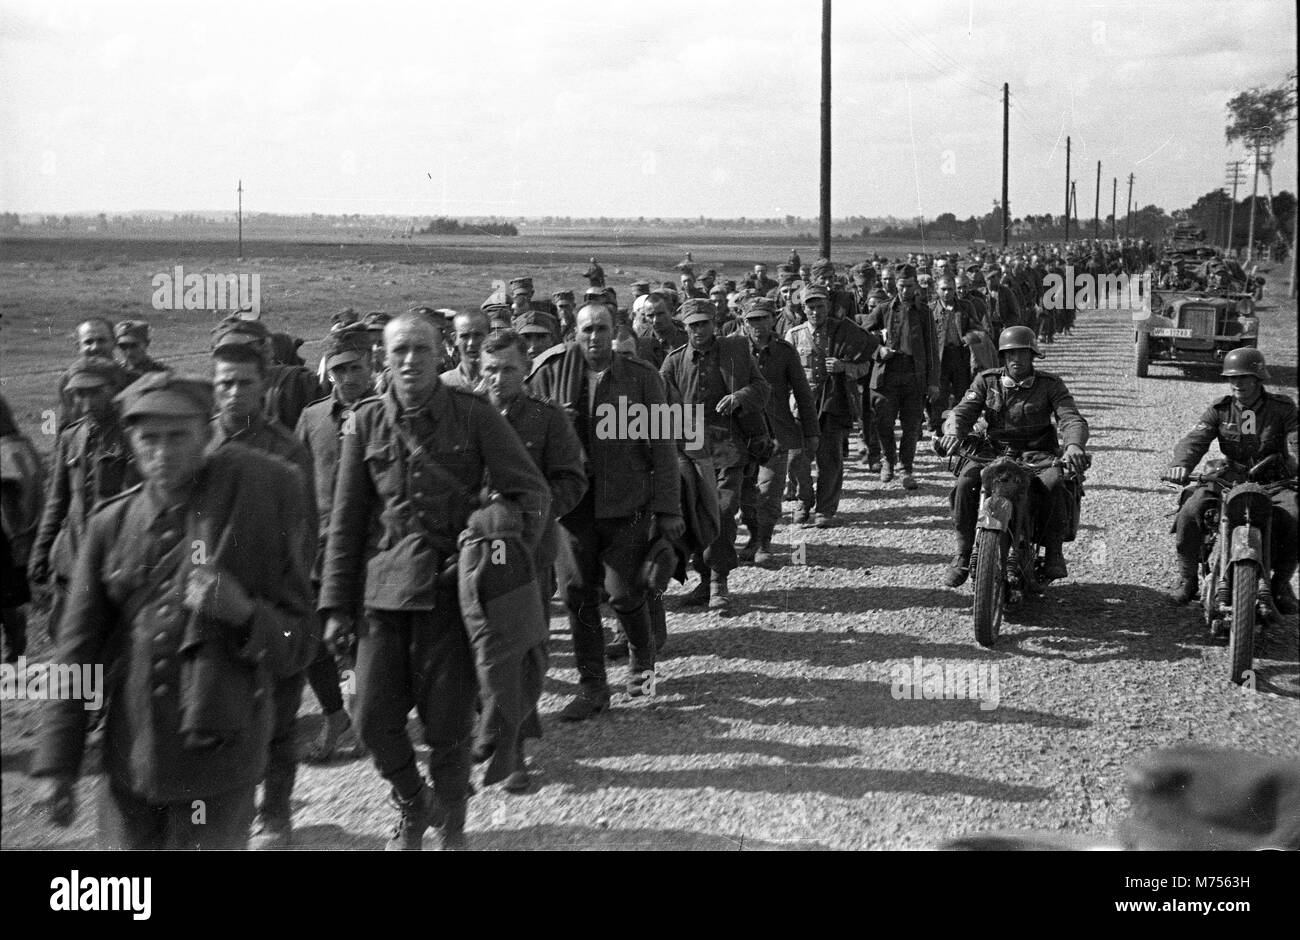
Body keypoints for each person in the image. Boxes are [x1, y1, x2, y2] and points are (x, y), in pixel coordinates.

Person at [31, 372, 315, 849]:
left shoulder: (254, 510)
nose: (162, 453)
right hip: (132, 761)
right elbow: (75, 654)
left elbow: (300, 643)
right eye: (148, 439)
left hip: (220, 765)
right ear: (131, 441)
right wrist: (56, 765)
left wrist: (246, 613)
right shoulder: (109, 525)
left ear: (207, 435)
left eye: (177, 437)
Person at [319, 313, 550, 850]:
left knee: (447, 729)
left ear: (439, 353)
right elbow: (346, 521)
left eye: (421, 350)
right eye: (399, 351)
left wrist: (496, 546)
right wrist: (334, 607)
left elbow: (530, 494)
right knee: (372, 720)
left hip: (452, 597)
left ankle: (452, 826)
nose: (410, 361)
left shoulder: (473, 416)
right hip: (383, 598)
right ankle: (411, 802)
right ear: (384, 358)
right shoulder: (366, 422)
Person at [527, 303, 681, 720]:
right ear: (573, 332)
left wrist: (668, 508)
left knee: (624, 593)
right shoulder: (551, 375)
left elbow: (665, 447)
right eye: (586, 329)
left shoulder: (641, 377)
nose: (593, 337)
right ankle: (593, 687)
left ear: (615, 332)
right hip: (573, 510)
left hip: (627, 504)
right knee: (577, 597)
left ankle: (643, 661)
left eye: (601, 329)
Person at [208, 340, 318, 849]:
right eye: (224, 382)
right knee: (216, 720)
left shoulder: (287, 450)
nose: (233, 393)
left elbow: (306, 536)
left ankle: (274, 815)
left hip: (273, 605)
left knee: (276, 721)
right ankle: (225, 815)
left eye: (243, 382)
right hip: (208, 607)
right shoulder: (198, 448)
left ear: (264, 386)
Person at [478, 330, 586, 790]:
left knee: (525, 650)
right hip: (473, 552)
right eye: (489, 370)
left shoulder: (548, 419)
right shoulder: (465, 416)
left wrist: (530, 516)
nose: (498, 379)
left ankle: (514, 746)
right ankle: (479, 736)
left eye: (507, 370)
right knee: (475, 650)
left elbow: (571, 481)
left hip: (528, 552)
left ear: (526, 371)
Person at [938, 326, 1090, 587]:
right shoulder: (987, 381)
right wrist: (953, 434)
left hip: (1037, 454)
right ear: (1002, 356)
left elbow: (1070, 418)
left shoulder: (1050, 385)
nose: (1016, 360)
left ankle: (1054, 552)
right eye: (1010, 354)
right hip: (993, 452)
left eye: (1022, 353)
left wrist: (1074, 445)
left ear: (1033, 356)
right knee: (965, 483)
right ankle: (963, 553)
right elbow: (963, 412)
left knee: (1054, 484)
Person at [294, 325, 375, 765]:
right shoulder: (311, 419)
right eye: (339, 369)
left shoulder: (385, 413)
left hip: (371, 549)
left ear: (371, 366)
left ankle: (365, 719)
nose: (347, 378)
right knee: (312, 639)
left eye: (355, 368)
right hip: (319, 551)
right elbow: (294, 480)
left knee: (364, 641)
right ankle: (333, 714)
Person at [1164, 348, 1298, 614]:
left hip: (1273, 479)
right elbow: (1195, 440)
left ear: (1259, 378)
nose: (1237, 384)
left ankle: (1281, 583)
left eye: (1244, 377)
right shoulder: (1220, 409)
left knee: (1296, 515)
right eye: (1232, 378)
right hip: (1229, 478)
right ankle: (1188, 577)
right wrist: (1180, 465)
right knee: (1191, 509)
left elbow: (1297, 440)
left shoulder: (1282, 409)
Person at [660, 299, 769, 611]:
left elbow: (763, 390)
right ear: (685, 327)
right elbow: (657, 399)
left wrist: (740, 396)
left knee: (721, 512)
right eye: (692, 325)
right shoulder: (674, 361)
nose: (698, 330)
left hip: (729, 450)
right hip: (690, 453)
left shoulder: (736, 352)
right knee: (694, 516)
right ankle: (705, 581)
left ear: (714, 323)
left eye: (704, 323)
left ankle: (720, 580)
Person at [29, 358, 137, 641]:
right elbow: (57, 501)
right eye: (79, 393)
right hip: (72, 560)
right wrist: (40, 552)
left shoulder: (134, 435)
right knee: (66, 637)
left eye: (93, 391)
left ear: (114, 388)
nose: (84, 400)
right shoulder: (71, 437)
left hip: (116, 562)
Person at [785, 285, 875, 526]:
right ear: (803, 309)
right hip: (801, 405)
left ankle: (825, 509)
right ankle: (804, 499)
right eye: (811, 307)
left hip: (833, 403)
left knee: (830, 458)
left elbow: (864, 365)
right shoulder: (794, 335)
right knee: (795, 458)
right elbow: (783, 371)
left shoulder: (844, 331)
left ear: (828, 306)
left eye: (820, 306)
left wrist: (844, 367)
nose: (816, 312)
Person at [738, 298, 818, 565]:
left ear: (773, 319)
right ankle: (752, 536)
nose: (758, 325)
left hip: (776, 432)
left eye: (763, 319)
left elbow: (803, 393)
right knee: (744, 493)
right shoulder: (732, 350)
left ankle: (764, 542)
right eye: (752, 320)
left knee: (770, 489)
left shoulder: (784, 351)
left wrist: (811, 433)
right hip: (742, 433)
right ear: (744, 322)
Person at [863, 265, 940, 490]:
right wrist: (878, 351)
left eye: (909, 286)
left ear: (916, 286)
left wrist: (934, 382)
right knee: (883, 422)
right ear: (895, 286)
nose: (905, 291)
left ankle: (907, 468)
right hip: (886, 375)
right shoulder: (884, 309)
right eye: (901, 286)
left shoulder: (924, 313)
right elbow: (862, 333)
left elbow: (932, 350)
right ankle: (889, 459)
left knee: (912, 425)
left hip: (913, 376)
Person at [441, 309, 490, 391]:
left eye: (477, 335)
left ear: (490, 336)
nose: (471, 343)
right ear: (454, 339)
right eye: (465, 336)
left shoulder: (502, 382)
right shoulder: (443, 385)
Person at [113, 320, 168, 385]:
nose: (129, 352)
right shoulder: (115, 372)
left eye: (134, 345)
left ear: (146, 343)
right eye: (123, 346)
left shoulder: (161, 373)